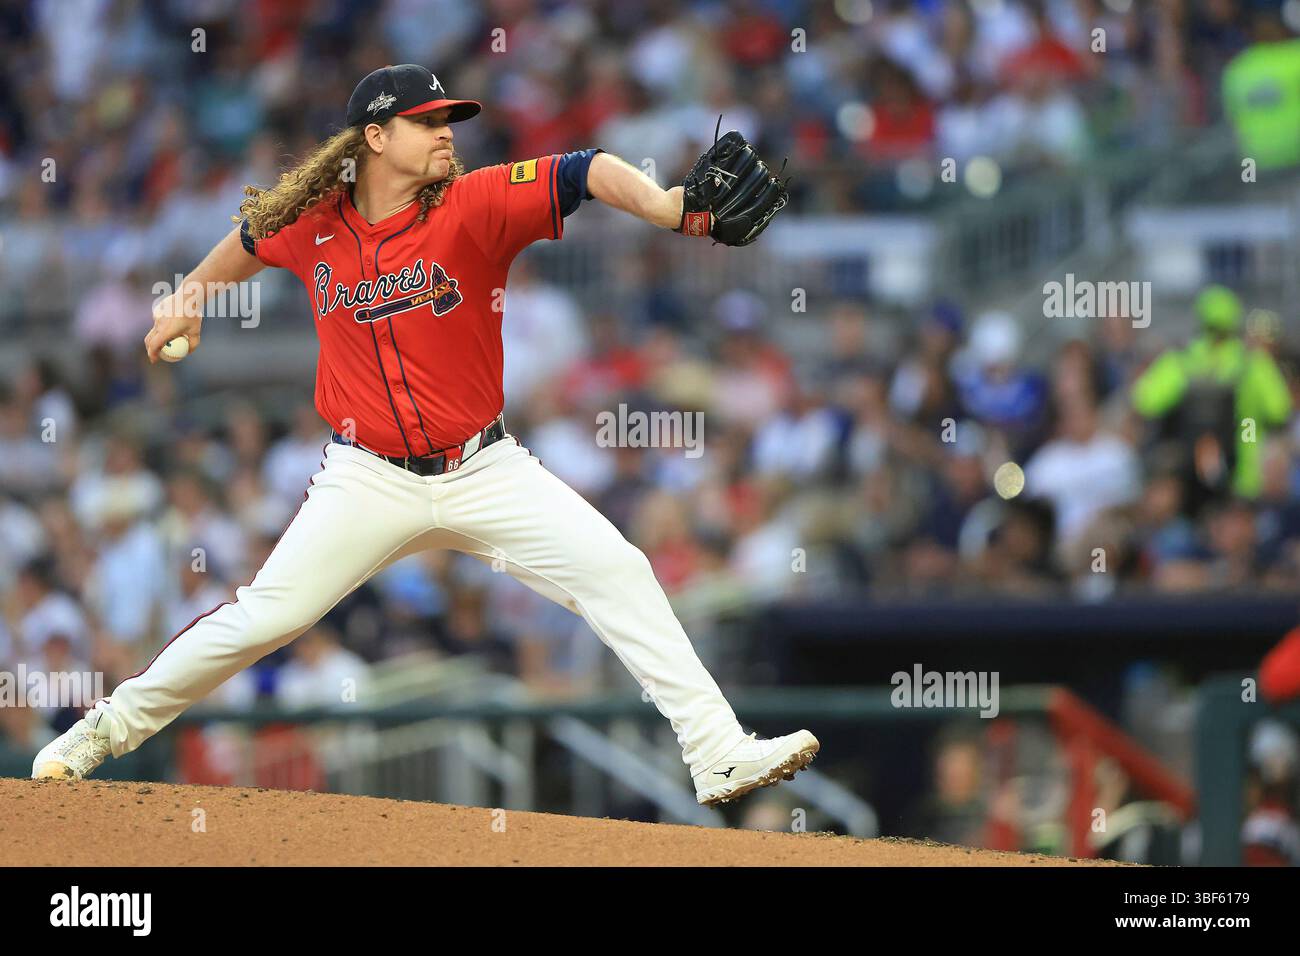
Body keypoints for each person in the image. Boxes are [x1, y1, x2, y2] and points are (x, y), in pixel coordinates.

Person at [31, 64, 817, 808]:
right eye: (427, 121)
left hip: (483, 467)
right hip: (366, 477)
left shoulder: (474, 202)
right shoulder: (313, 222)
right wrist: (189, 296)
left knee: (618, 568)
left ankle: (715, 749)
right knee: (262, 618)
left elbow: (585, 168)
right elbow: (246, 238)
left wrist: (667, 206)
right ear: (375, 138)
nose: (447, 133)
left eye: (450, 120)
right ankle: (101, 732)